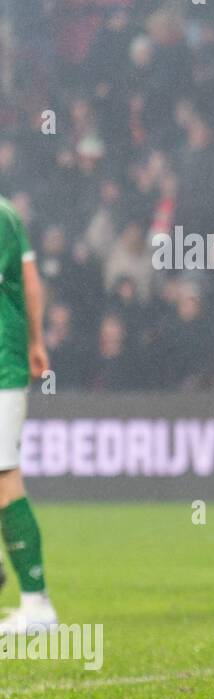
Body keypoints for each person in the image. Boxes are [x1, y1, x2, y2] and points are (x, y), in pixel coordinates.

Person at [0, 194, 58, 634]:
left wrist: (34, 342)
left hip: (1, 367)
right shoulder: (9, 211)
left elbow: (27, 279)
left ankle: (38, 605)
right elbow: (30, 278)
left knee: (5, 480)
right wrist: (37, 339)